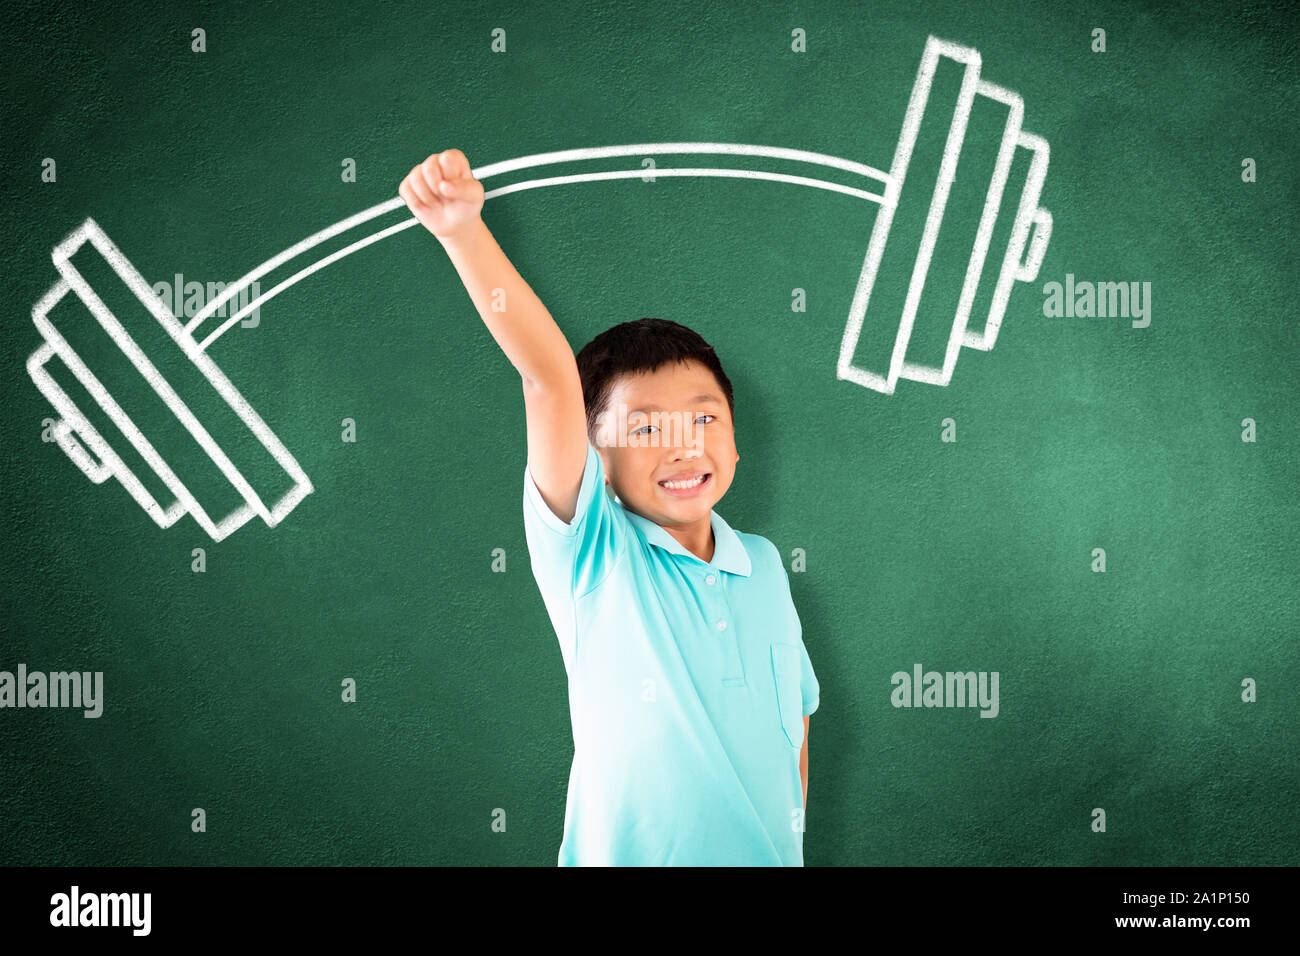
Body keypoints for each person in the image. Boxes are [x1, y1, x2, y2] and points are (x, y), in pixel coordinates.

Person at [399, 149, 820, 866]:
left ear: (738, 442)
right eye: (646, 428)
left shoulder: (768, 567)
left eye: (705, 418)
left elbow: (796, 732)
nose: (685, 447)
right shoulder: (591, 554)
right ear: (592, 457)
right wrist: (462, 232)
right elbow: (550, 381)